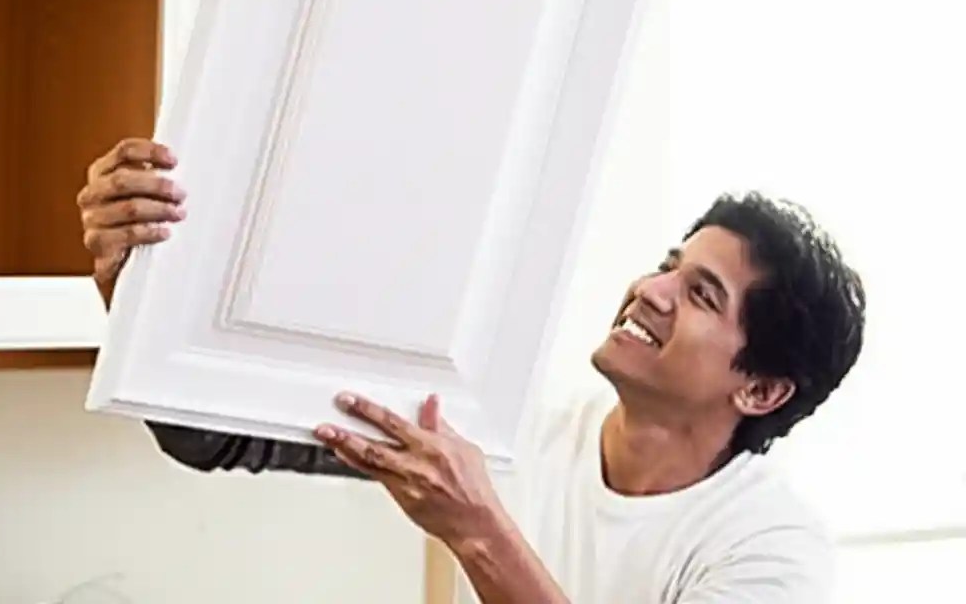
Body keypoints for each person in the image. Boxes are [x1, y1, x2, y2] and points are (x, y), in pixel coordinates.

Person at [76, 137, 866, 603]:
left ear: (760, 388)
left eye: (699, 294)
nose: (650, 290)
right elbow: (224, 438)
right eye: (668, 263)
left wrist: (478, 530)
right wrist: (140, 286)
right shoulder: (514, 424)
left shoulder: (772, 547)